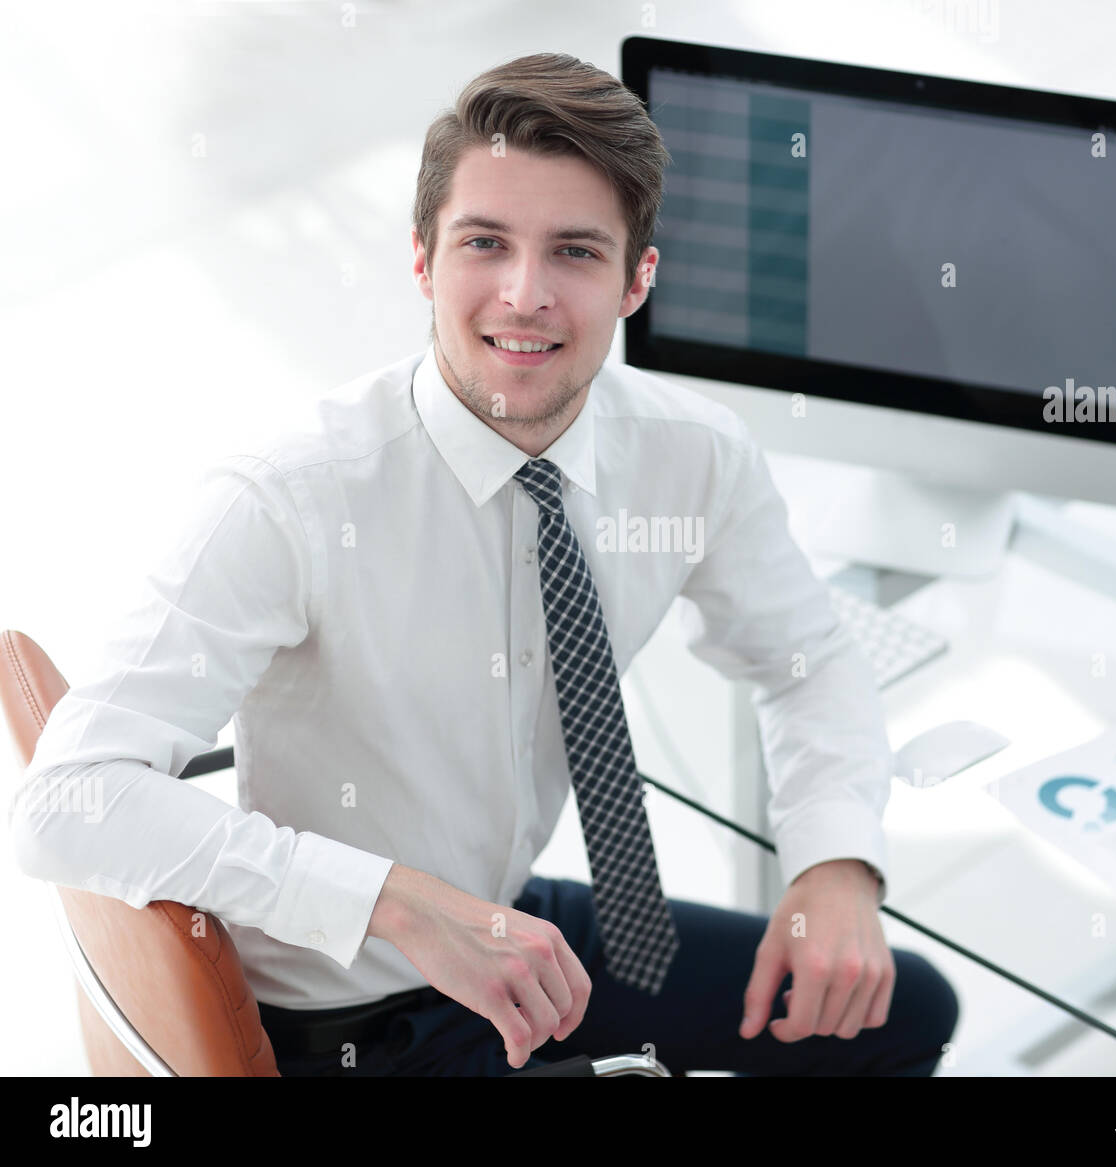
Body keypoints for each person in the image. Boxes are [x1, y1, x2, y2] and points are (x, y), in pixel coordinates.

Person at [11, 52, 958, 1077]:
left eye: (576, 254)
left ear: (638, 280)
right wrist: (396, 901)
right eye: (485, 244)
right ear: (422, 259)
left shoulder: (693, 458)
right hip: (355, 1020)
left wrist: (836, 864)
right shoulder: (291, 498)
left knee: (899, 1011)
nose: (524, 294)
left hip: (508, 932)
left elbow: (806, 660)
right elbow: (66, 804)